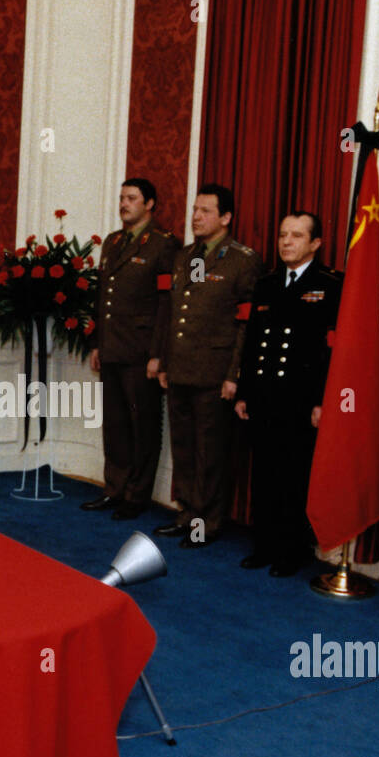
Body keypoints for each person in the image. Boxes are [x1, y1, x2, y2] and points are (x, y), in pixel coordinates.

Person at [154, 184, 262, 548]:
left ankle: (205, 523)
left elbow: (246, 324)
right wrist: (167, 362)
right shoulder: (186, 256)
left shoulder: (242, 259)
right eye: (195, 210)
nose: (196, 217)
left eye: (205, 211)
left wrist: (235, 375)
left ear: (226, 218)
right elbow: (177, 313)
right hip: (182, 369)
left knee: (209, 454)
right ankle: (185, 514)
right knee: (183, 447)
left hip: (215, 375)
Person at [235, 212, 342, 576]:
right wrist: (244, 391)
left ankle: (290, 550)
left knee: (293, 476)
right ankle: (263, 545)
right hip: (264, 393)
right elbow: (252, 342)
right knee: (263, 474)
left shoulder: (329, 284)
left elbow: (332, 350)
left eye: (296, 236)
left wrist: (321, 401)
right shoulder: (266, 283)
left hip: (299, 398)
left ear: (315, 243)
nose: (286, 242)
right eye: (282, 235)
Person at [82, 178, 180, 520]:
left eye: (132, 198)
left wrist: (158, 354)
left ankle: (137, 496)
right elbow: (102, 300)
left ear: (150, 204)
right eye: (122, 197)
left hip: (141, 352)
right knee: (115, 425)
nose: (124, 203)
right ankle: (114, 489)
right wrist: (96, 342)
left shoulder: (164, 245)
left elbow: (167, 304)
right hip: (112, 347)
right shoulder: (113, 242)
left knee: (143, 426)